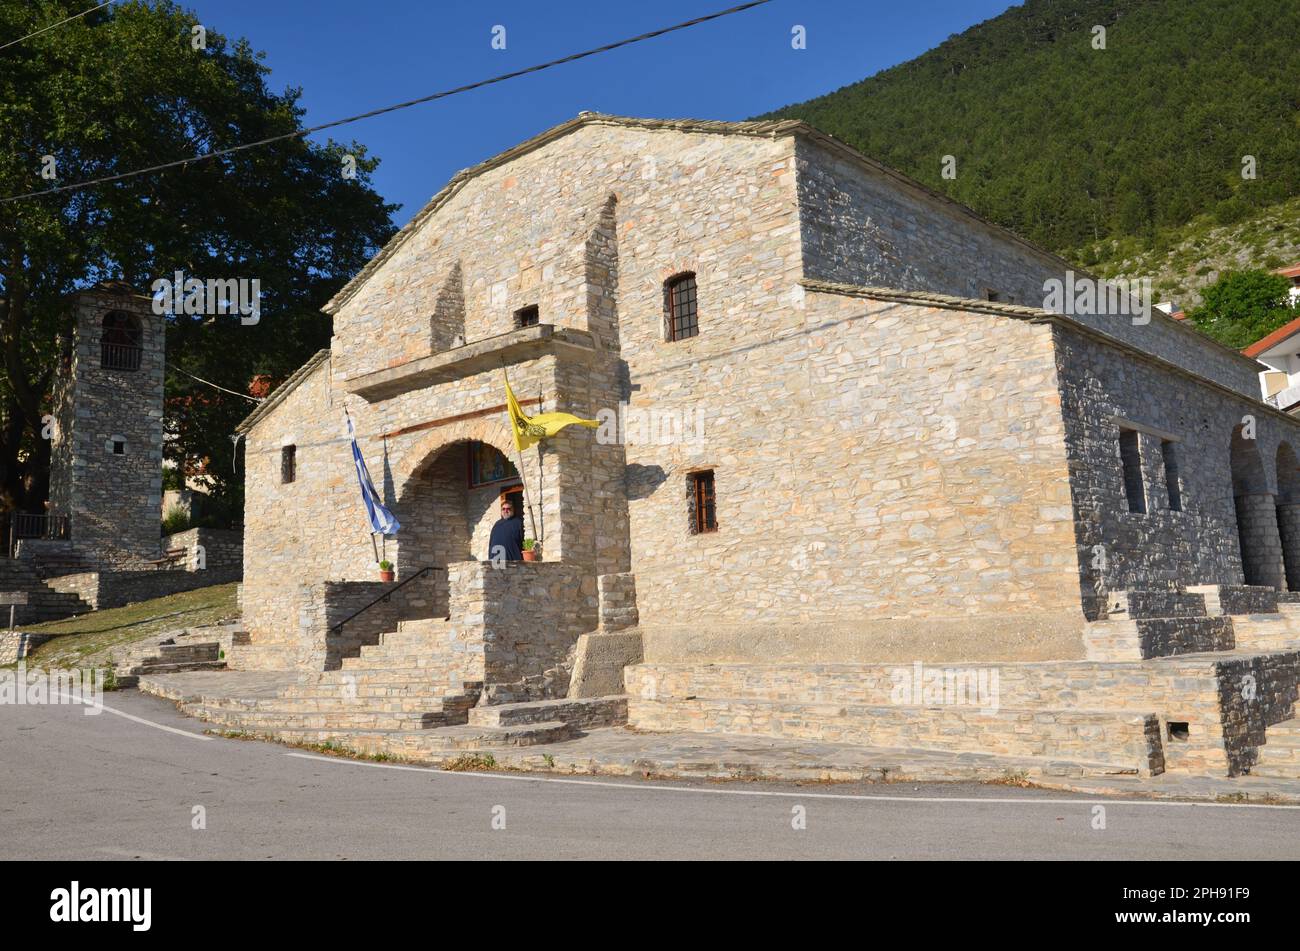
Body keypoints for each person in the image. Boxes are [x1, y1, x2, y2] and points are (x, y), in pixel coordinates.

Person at [488, 497, 524, 562]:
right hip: (496, 560)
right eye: (503, 509)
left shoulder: (518, 522)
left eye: (508, 509)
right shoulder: (497, 524)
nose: (505, 511)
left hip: (513, 560)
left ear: (513, 510)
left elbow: (522, 540)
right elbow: (491, 542)